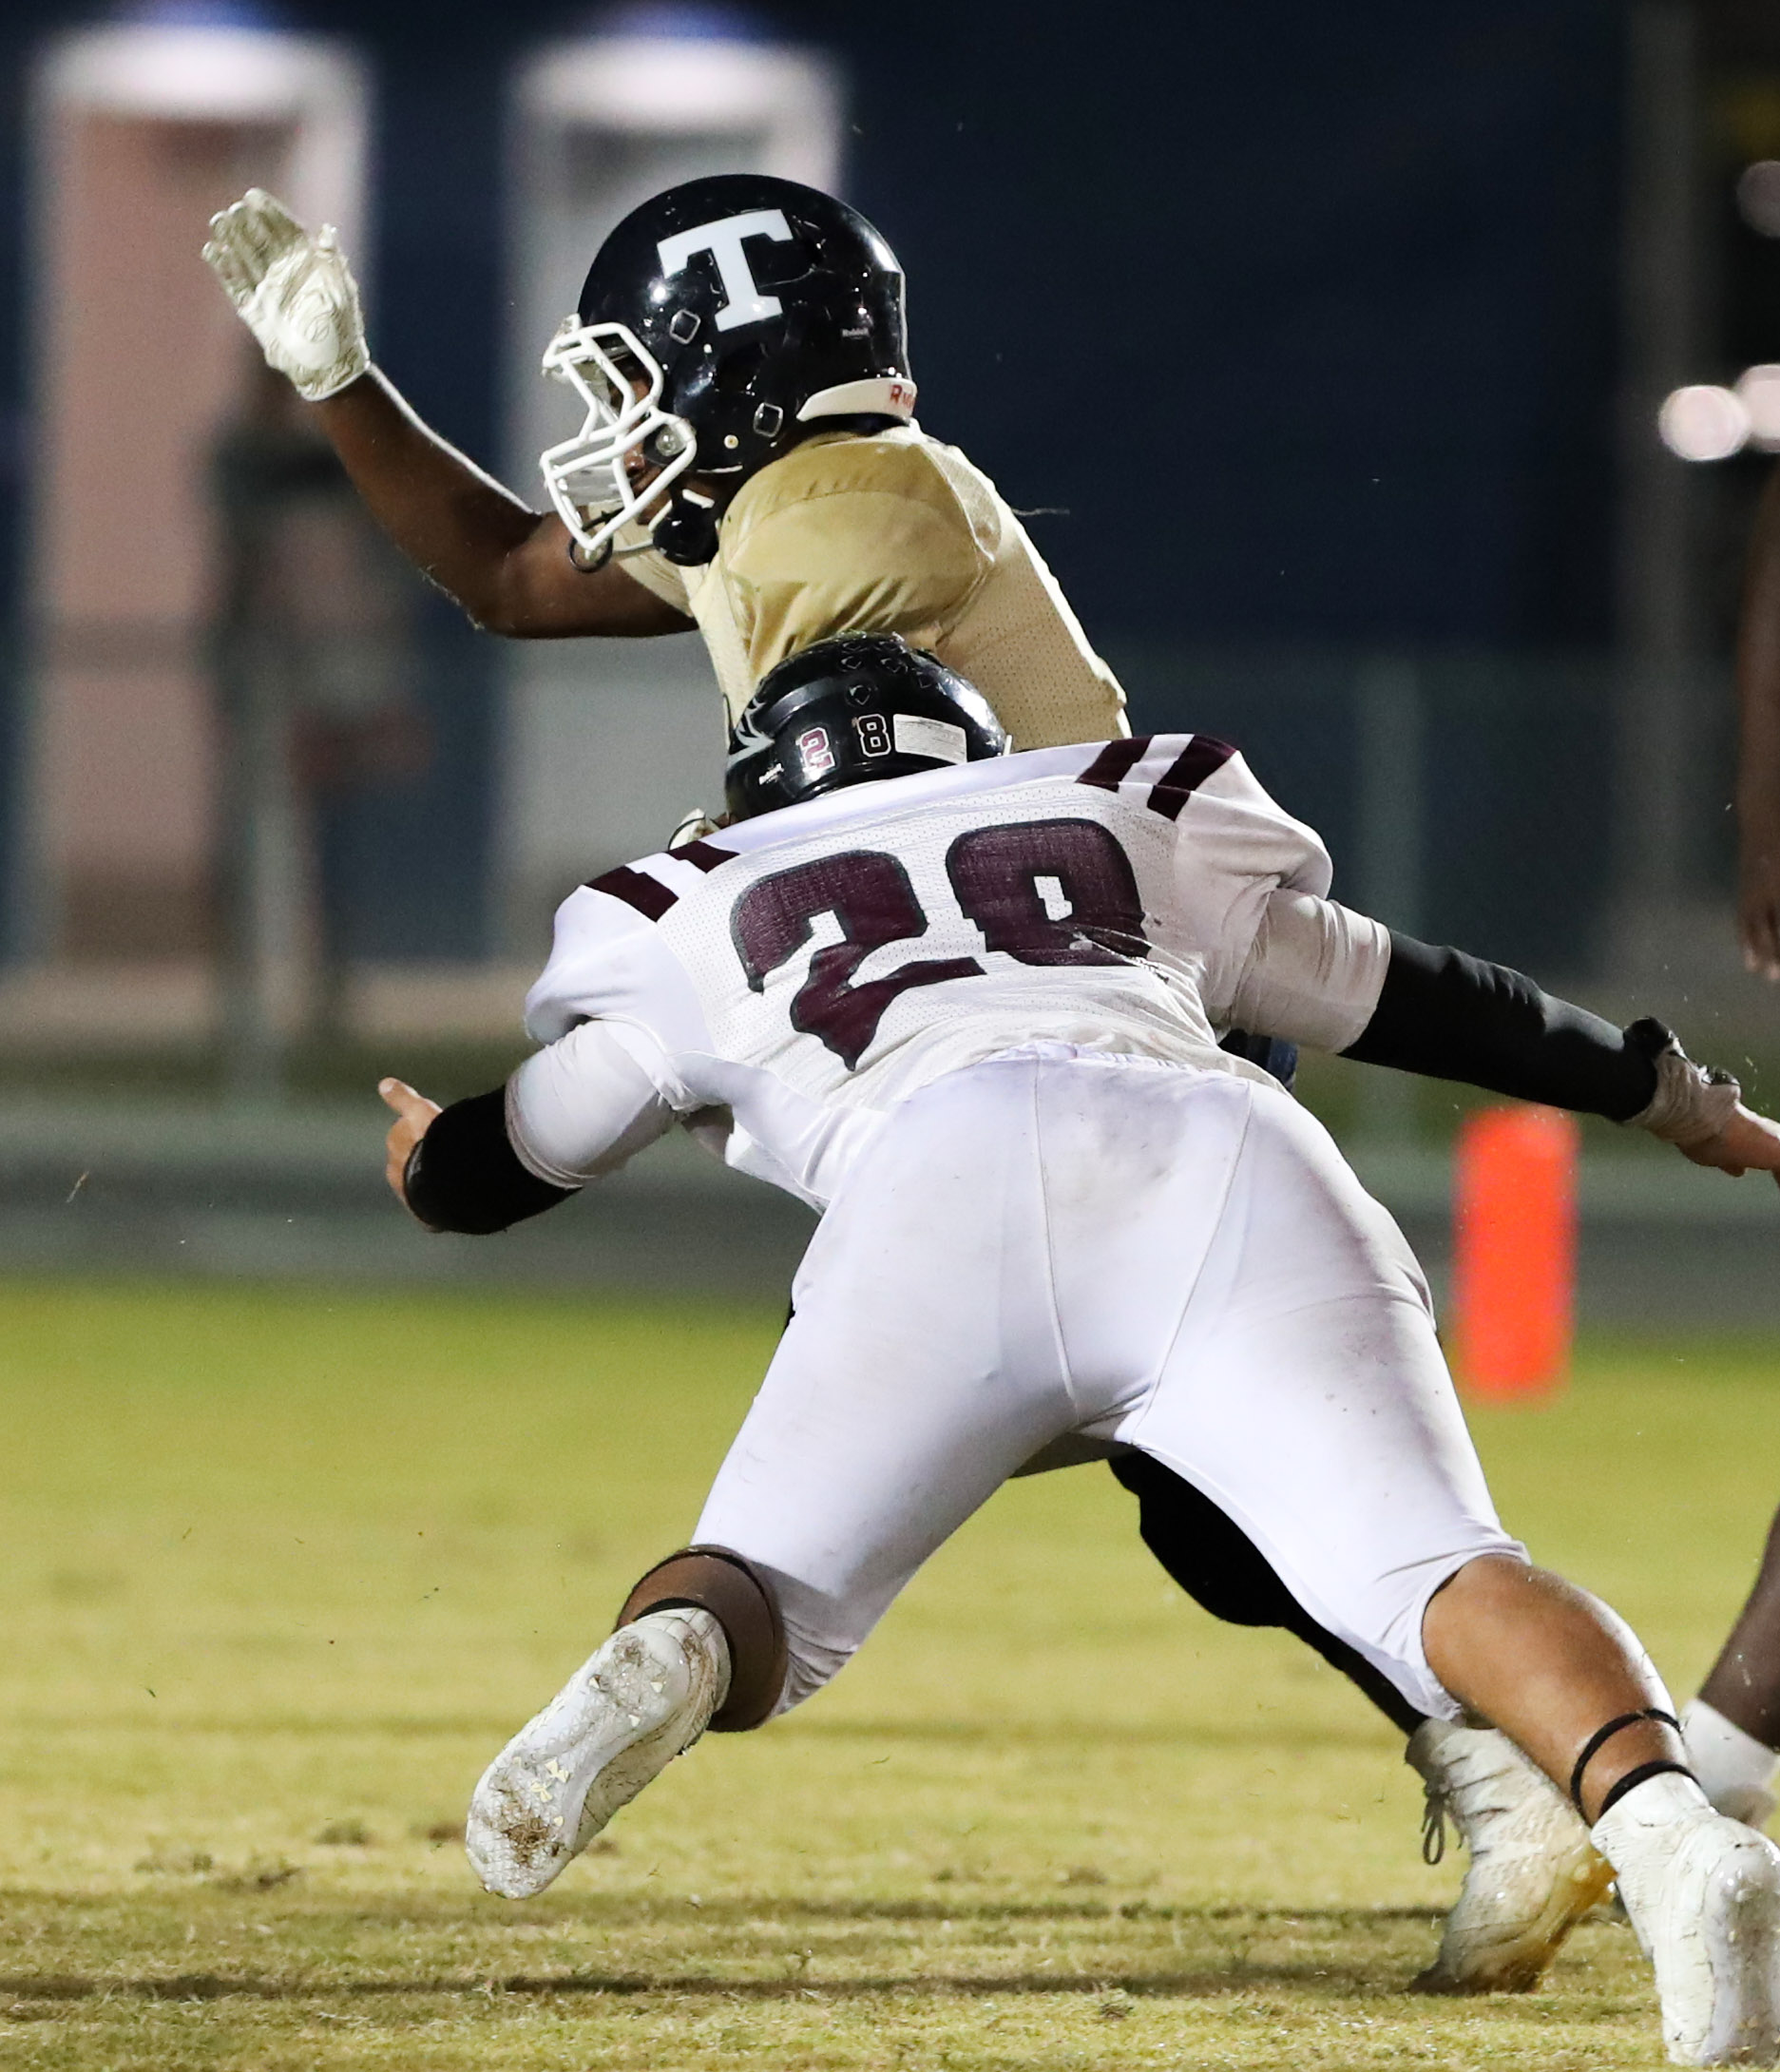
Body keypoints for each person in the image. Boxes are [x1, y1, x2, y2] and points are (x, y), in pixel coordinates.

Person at [202, 175, 1671, 1992]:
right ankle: (1515, 1759)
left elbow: (822, 772)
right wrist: (344, 381)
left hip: (1066, 1004)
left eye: (635, 382)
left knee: (1190, 1482)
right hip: (1076, 1001)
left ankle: (1501, 1764)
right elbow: (510, 577)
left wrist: (714, 928)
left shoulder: (844, 504)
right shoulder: (775, 492)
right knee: (1217, 1504)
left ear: (730, 377)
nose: (609, 431)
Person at [378, 635, 1780, 2062]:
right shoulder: (1113, 812)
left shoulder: (691, 908)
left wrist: (432, 1161)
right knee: (1444, 1572)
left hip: (940, 1188)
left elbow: (517, 1159)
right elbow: (1430, 998)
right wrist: (1669, 1098)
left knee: (758, 1592)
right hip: (1222, 1156)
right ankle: (1673, 1841)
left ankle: (664, 1658)